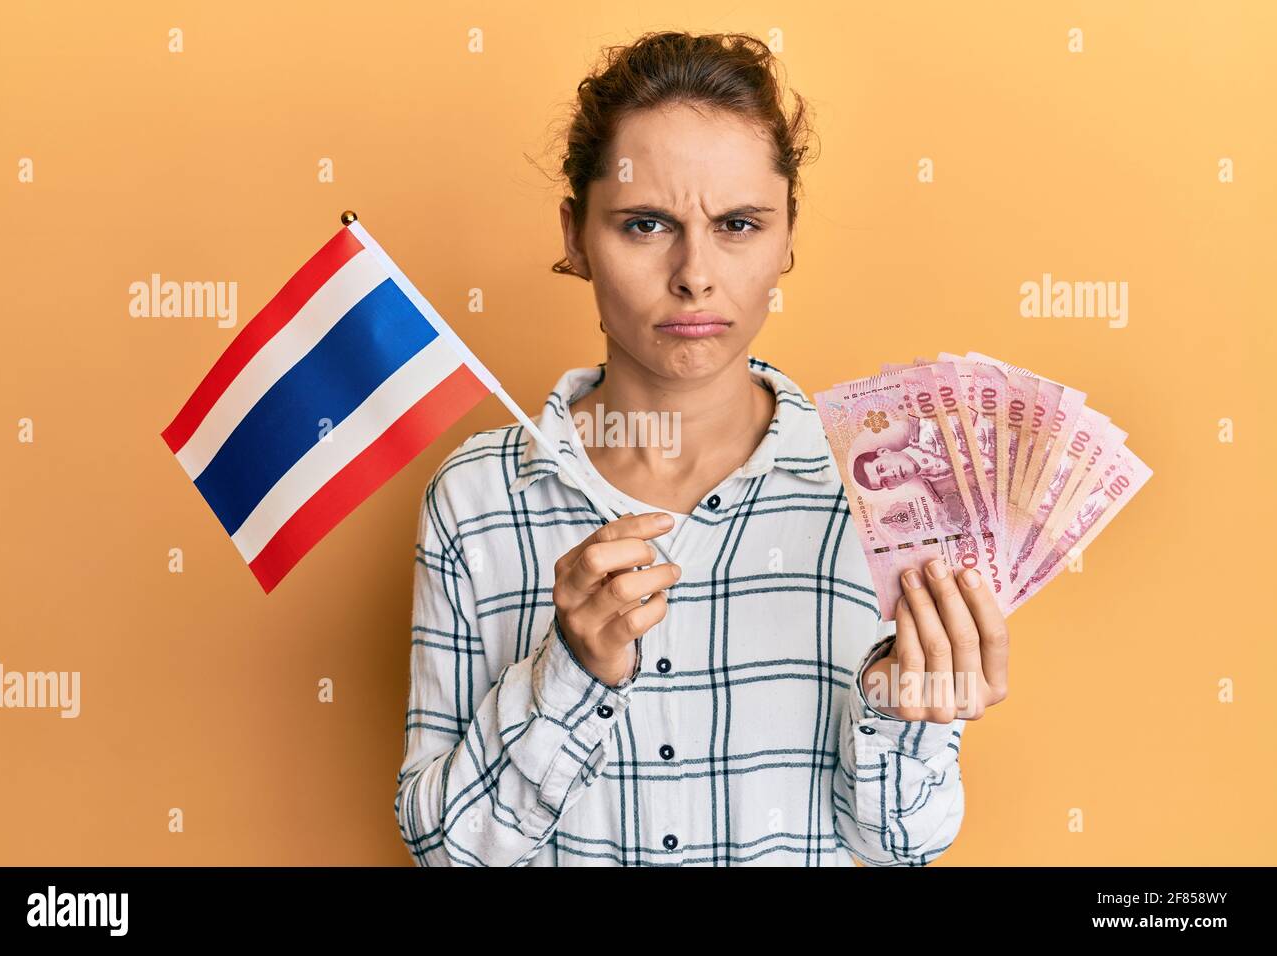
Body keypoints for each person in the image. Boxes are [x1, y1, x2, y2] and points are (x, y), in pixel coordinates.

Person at [395, 30, 1009, 867]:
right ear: (576, 236)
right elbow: (448, 851)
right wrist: (570, 670)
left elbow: (900, 846)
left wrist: (906, 704)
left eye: (738, 224)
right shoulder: (476, 498)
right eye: (645, 224)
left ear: (788, 238)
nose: (694, 274)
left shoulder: (887, 496)